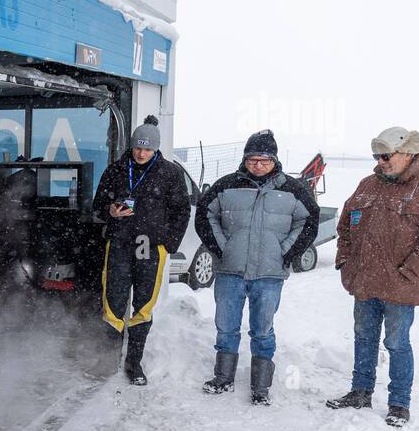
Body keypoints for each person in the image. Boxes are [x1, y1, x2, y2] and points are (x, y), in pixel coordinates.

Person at [325, 127, 419, 427]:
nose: (380, 161)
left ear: (408, 152)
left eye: (386, 155)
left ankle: (399, 403)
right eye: (377, 155)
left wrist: (410, 271)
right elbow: (345, 227)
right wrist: (345, 262)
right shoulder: (367, 185)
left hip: (401, 288)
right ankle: (360, 391)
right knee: (363, 339)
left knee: (397, 344)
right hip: (365, 283)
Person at [196, 130, 320, 404]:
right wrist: (223, 247)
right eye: (252, 159)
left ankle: (260, 385)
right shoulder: (226, 185)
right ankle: (223, 377)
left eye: (264, 160)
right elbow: (205, 214)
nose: (258, 165)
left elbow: (309, 221)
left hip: (269, 274)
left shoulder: (292, 189)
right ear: (245, 159)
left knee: (262, 329)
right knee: (226, 326)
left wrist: (285, 251)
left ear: (274, 160)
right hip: (230, 271)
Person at [92, 115, 190, 385]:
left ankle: (133, 363)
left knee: (143, 305)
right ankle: (107, 359)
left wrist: (168, 244)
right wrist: (109, 211)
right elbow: (97, 204)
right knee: (113, 303)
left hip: (151, 247)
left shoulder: (170, 173)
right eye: (138, 147)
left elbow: (182, 212)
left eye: (147, 149)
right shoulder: (116, 169)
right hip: (120, 244)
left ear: (156, 148)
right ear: (132, 146)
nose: (142, 153)